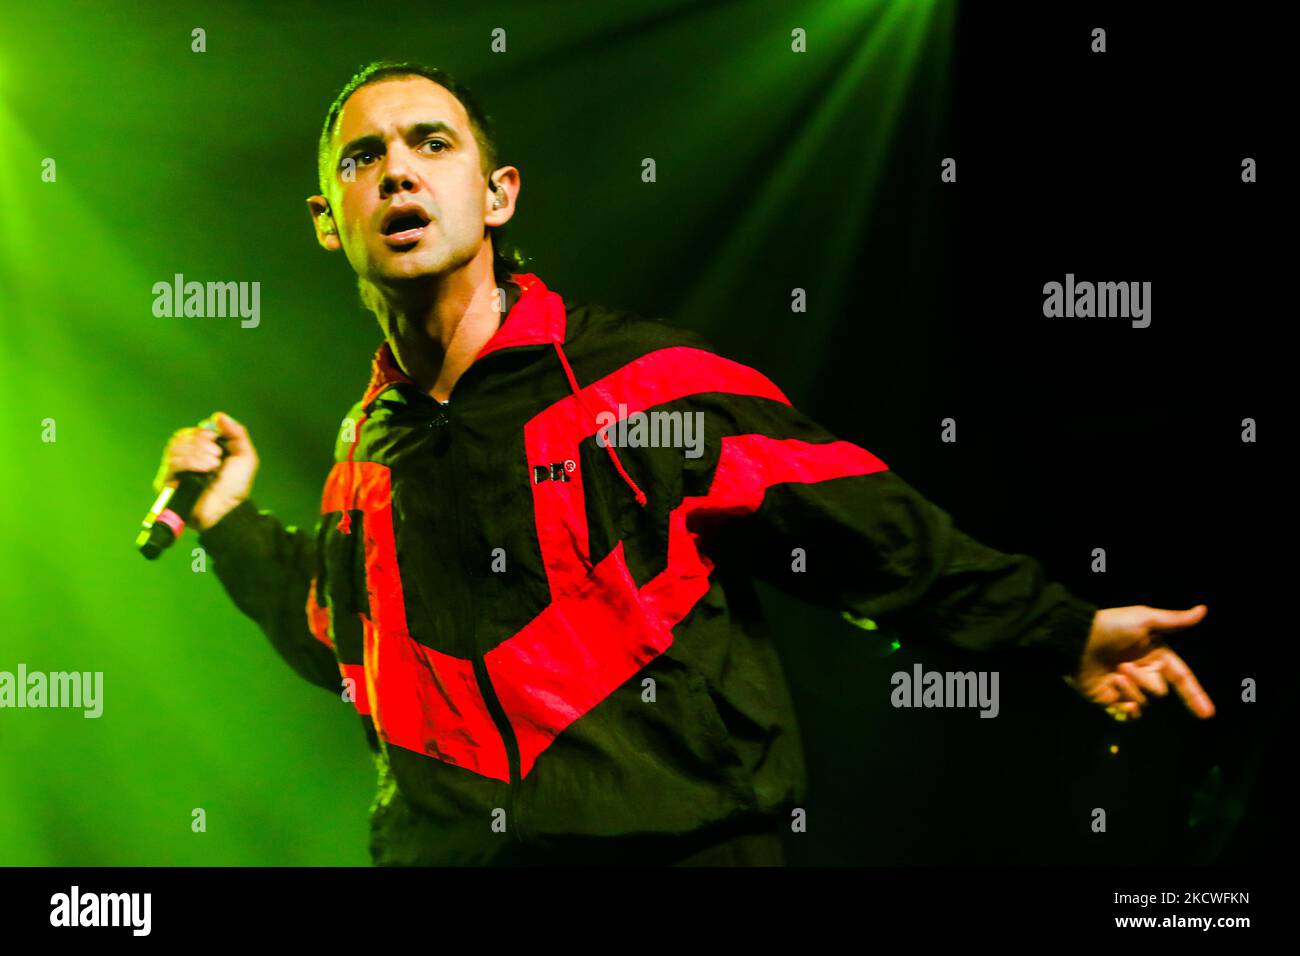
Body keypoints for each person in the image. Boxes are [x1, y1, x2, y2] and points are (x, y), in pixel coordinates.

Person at [154, 61, 1216, 866]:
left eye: (430, 143)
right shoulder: (364, 453)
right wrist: (231, 523)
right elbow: (363, 656)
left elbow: (867, 531)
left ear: (500, 193)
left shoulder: (650, 385)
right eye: (362, 155)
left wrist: (1061, 629)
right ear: (326, 223)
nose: (394, 169)